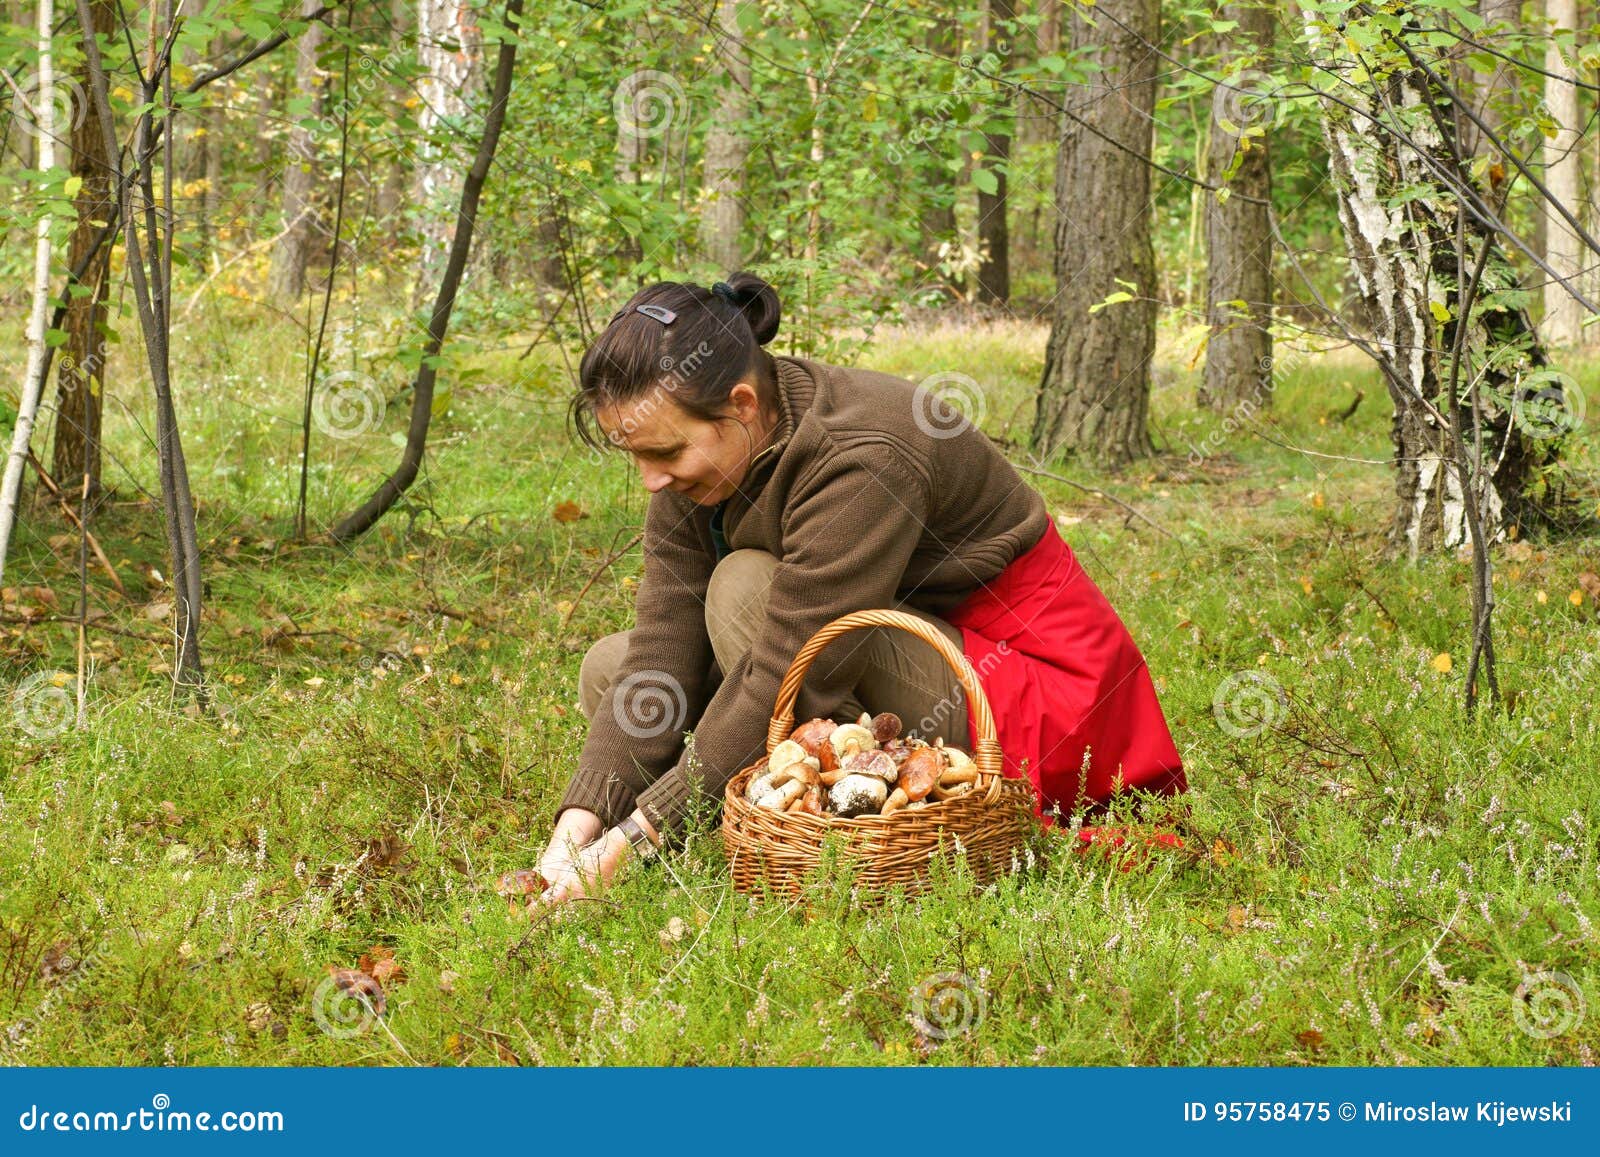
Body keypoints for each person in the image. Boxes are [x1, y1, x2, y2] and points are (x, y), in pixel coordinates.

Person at [527, 271, 1185, 907]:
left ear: (743, 407)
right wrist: (577, 829)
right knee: (612, 671)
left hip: (1031, 693)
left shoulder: (859, 452)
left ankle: (855, 823)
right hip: (898, 646)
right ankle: (801, 800)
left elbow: (791, 668)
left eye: (665, 454)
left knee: (741, 590)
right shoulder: (701, 449)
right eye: (635, 455)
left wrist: (638, 836)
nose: (650, 478)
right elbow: (662, 638)